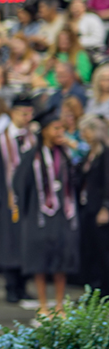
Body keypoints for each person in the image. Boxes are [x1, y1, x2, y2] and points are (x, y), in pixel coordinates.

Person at [13, 108, 80, 317]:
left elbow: (79, 178)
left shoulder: (68, 155)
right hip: (39, 215)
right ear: (44, 131)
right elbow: (19, 184)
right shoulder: (31, 156)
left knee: (62, 259)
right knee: (39, 260)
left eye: (62, 128)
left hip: (63, 216)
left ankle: (59, 305)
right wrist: (28, 210)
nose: (61, 132)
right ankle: (43, 305)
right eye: (56, 128)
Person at [0, 97, 37, 302]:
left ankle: (23, 285)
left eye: (30, 113)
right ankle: (11, 287)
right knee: (8, 244)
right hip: (7, 201)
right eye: (23, 113)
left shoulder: (34, 139)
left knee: (26, 243)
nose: (27, 118)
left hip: (29, 203)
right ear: (13, 113)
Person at [76, 114, 109, 291]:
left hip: (100, 209)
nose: (83, 135)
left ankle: (104, 289)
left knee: (102, 251)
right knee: (90, 250)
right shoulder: (90, 153)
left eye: (86, 131)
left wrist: (106, 207)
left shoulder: (105, 154)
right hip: (87, 207)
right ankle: (93, 289)